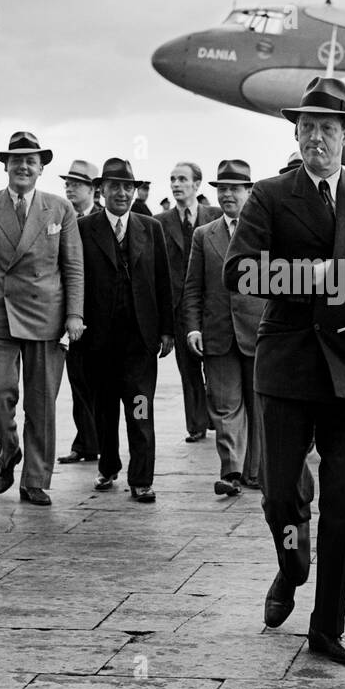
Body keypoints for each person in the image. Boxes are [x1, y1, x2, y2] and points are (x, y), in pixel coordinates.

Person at [224, 77, 345, 666]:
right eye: (306, 128)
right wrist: (323, 281)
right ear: (297, 134)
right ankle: (291, 562)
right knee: (281, 496)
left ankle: (327, 626)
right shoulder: (268, 196)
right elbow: (238, 273)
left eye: (326, 130)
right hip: (287, 365)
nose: (316, 139)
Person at [0, 130, 84, 507]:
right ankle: (8, 445)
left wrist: (75, 314)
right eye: (17, 161)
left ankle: (35, 480)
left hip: (48, 316)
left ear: (42, 168)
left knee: (42, 403)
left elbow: (73, 267)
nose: (24, 166)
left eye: (31, 161)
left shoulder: (60, 208)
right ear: (6, 167)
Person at [79, 158, 174, 503]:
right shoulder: (83, 228)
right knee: (104, 409)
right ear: (101, 190)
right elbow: (75, 280)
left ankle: (142, 479)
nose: (122, 193)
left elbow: (164, 281)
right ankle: (108, 466)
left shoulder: (151, 228)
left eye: (128, 187)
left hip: (140, 338)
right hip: (99, 339)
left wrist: (167, 330)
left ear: (135, 191)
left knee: (139, 406)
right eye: (114, 186)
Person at [182, 159, 266, 497]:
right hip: (217, 334)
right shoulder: (204, 235)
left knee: (259, 405)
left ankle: (256, 472)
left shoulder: (266, 231)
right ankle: (230, 471)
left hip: (259, 332)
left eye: (235, 188)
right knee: (224, 405)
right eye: (222, 189)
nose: (228, 194)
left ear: (249, 191)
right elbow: (193, 287)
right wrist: (192, 328)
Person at [154, 162, 222, 441]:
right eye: (172, 179)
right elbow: (157, 274)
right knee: (188, 369)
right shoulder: (160, 222)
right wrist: (165, 326)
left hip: (213, 306)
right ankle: (195, 424)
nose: (176, 184)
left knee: (217, 367)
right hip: (180, 309)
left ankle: (219, 418)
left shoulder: (215, 216)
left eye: (182, 179)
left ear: (197, 185)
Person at [55, 159, 101, 467]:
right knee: (78, 381)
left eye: (77, 183)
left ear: (92, 189)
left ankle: (98, 441)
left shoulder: (101, 220)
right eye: (67, 183)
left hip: (98, 312)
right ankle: (84, 442)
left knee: (100, 384)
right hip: (69, 313)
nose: (70, 187)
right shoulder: (59, 218)